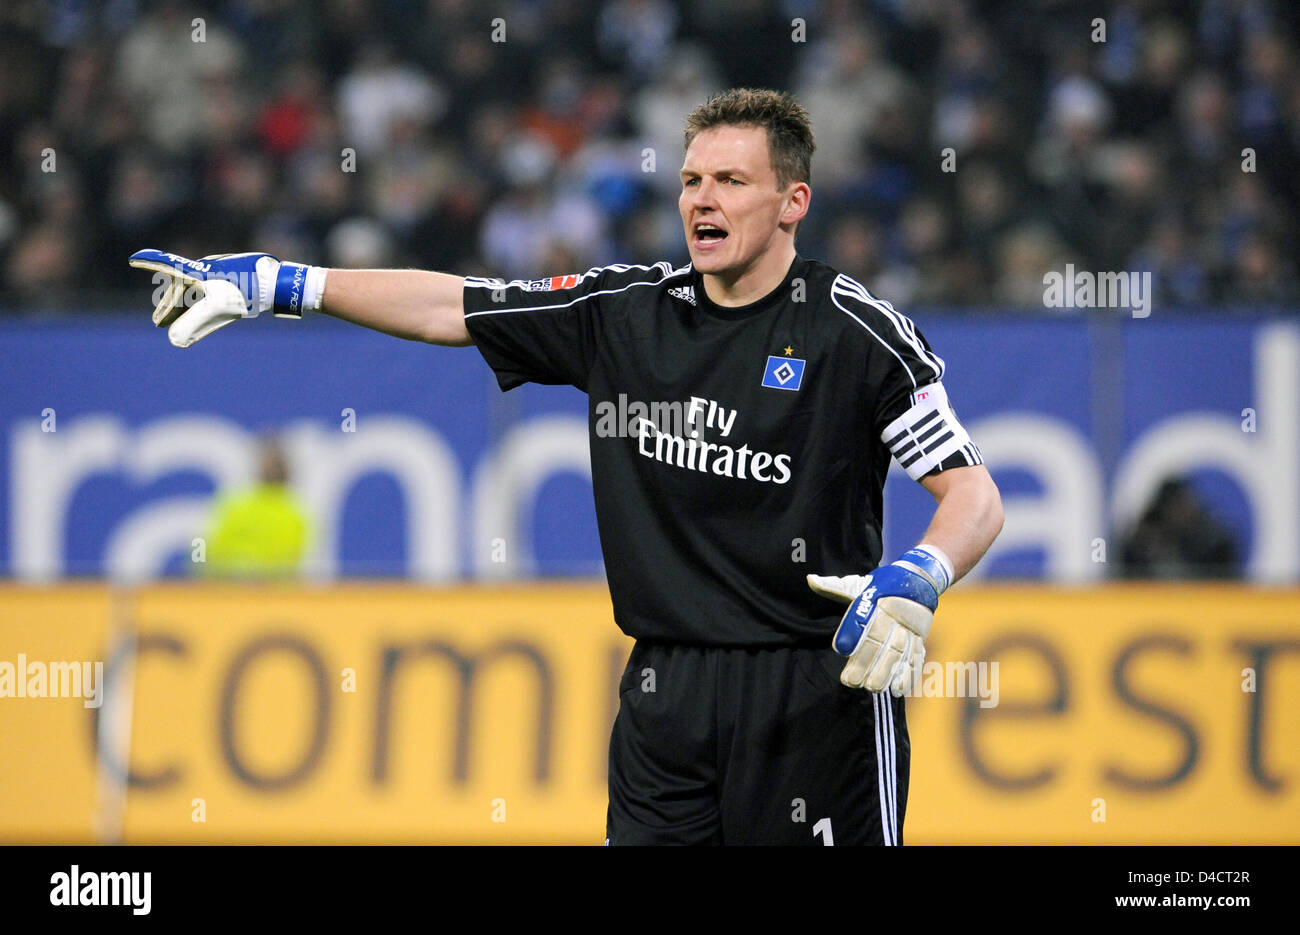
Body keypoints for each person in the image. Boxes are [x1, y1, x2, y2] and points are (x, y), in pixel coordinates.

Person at [130, 88, 1003, 845]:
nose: (703, 199)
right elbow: (448, 305)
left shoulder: (856, 334)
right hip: (665, 697)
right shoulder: (623, 314)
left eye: (731, 181)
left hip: (814, 694)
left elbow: (973, 494)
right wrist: (284, 284)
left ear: (792, 201)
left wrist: (920, 573)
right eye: (692, 180)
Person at [201, 436, 311, 580]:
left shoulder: (235, 506)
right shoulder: (297, 515)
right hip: (272, 596)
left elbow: (209, 554)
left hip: (231, 593)